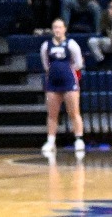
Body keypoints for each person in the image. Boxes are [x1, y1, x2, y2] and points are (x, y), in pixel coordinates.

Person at [39, 19, 83, 156]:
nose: (57, 30)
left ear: (65, 29)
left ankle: (79, 139)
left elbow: (78, 63)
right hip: (53, 83)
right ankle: (51, 141)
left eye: (60, 27)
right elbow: (46, 64)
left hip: (69, 81)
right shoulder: (46, 45)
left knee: (74, 112)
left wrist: (66, 70)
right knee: (52, 114)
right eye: (55, 27)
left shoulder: (71, 44)